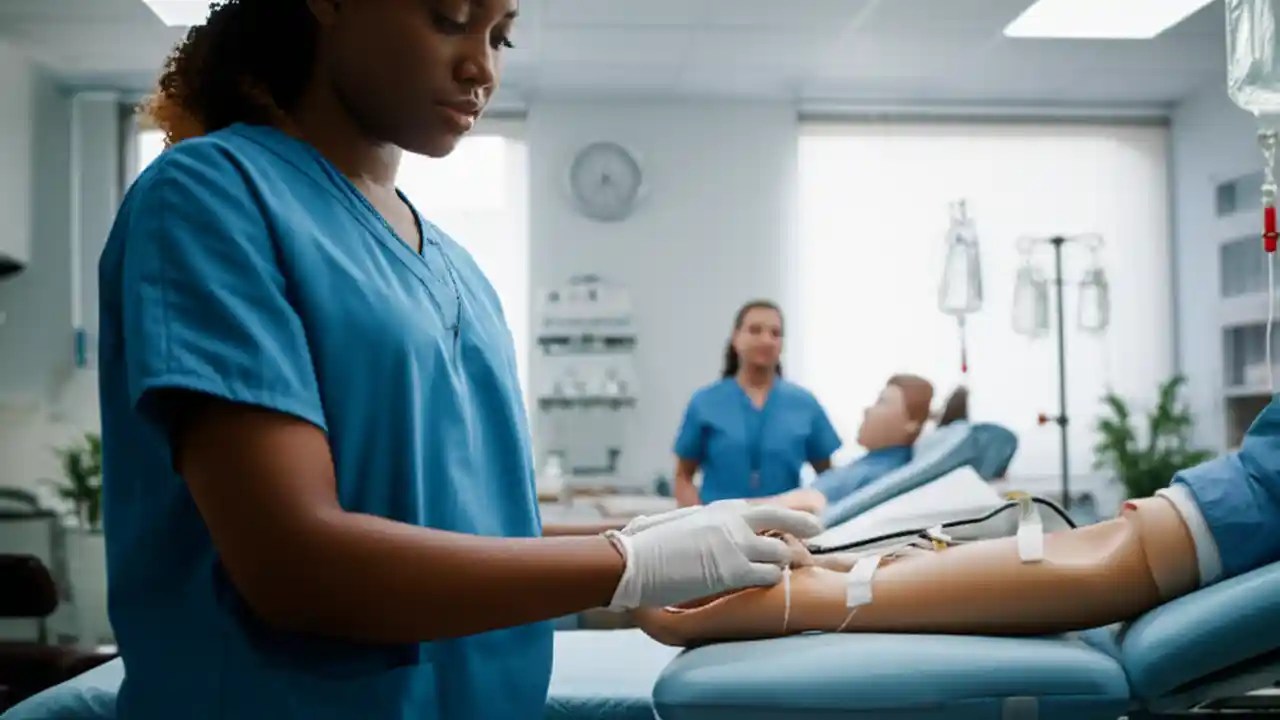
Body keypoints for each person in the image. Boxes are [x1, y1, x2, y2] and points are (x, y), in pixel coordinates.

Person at [96, 3, 823, 719]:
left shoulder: (459, 270)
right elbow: (295, 565)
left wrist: (660, 533)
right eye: (447, 20)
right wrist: (626, 565)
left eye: (500, 36)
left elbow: (471, 531)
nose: (482, 67)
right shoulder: (212, 195)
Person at [633, 397, 1280, 648]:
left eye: (882, 399)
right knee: (1103, 544)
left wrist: (816, 591)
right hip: (1205, 509)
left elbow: (1121, 561)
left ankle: (815, 592)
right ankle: (829, 582)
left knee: (1116, 549)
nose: (865, 407)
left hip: (1221, 515)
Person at [672, 300, 842, 507]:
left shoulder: (804, 404)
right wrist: (697, 520)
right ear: (735, 338)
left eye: (775, 333)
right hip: (719, 526)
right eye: (755, 330)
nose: (766, 340)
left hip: (783, 528)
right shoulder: (705, 402)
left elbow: (829, 479)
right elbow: (683, 477)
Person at [763, 374, 936, 515]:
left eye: (881, 402)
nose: (867, 410)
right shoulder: (868, 465)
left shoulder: (882, 475)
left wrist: (743, 510)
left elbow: (809, 504)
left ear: (912, 423)